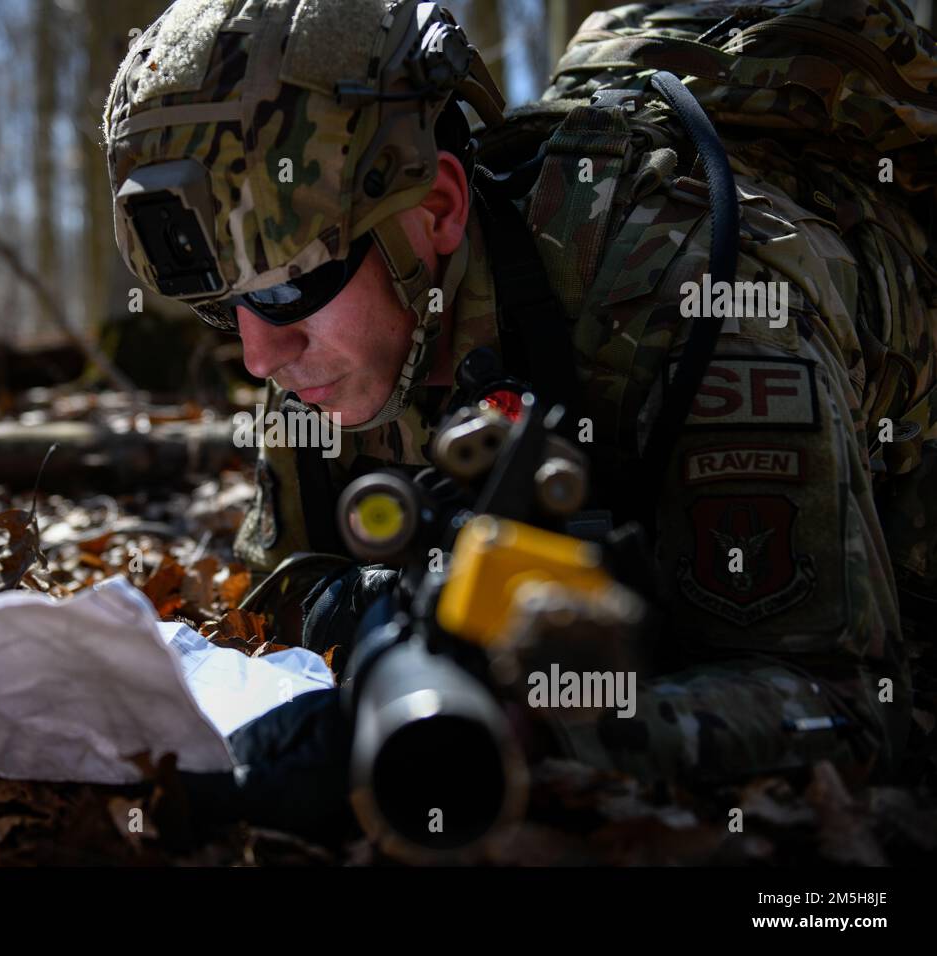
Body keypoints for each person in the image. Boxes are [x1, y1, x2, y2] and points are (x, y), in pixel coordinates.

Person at [101, 0, 934, 840]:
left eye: (284, 288)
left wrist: (539, 729)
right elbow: (287, 577)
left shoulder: (703, 307)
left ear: (436, 208)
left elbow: (849, 709)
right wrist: (369, 613)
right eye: (222, 305)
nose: (259, 353)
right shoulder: (335, 324)